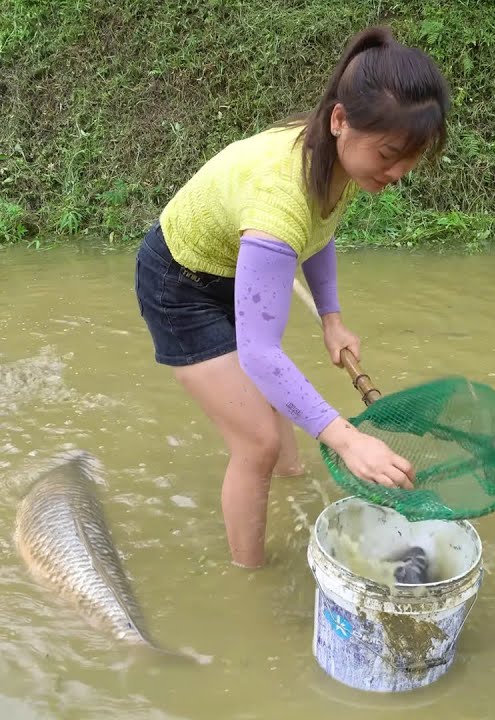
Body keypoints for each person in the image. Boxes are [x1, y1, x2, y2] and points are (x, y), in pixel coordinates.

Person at [134, 27, 448, 569]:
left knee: (286, 442)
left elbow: (317, 231)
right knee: (258, 443)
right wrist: (349, 440)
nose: (399, 173)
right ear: (340, 121)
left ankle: (292, 492)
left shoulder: (340, 161)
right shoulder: (278, 198)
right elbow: (260, 351)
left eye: (411, 158)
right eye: (391, 154)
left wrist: (332, 317)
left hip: (233, 267)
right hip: (179, 283)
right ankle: (249, 580)